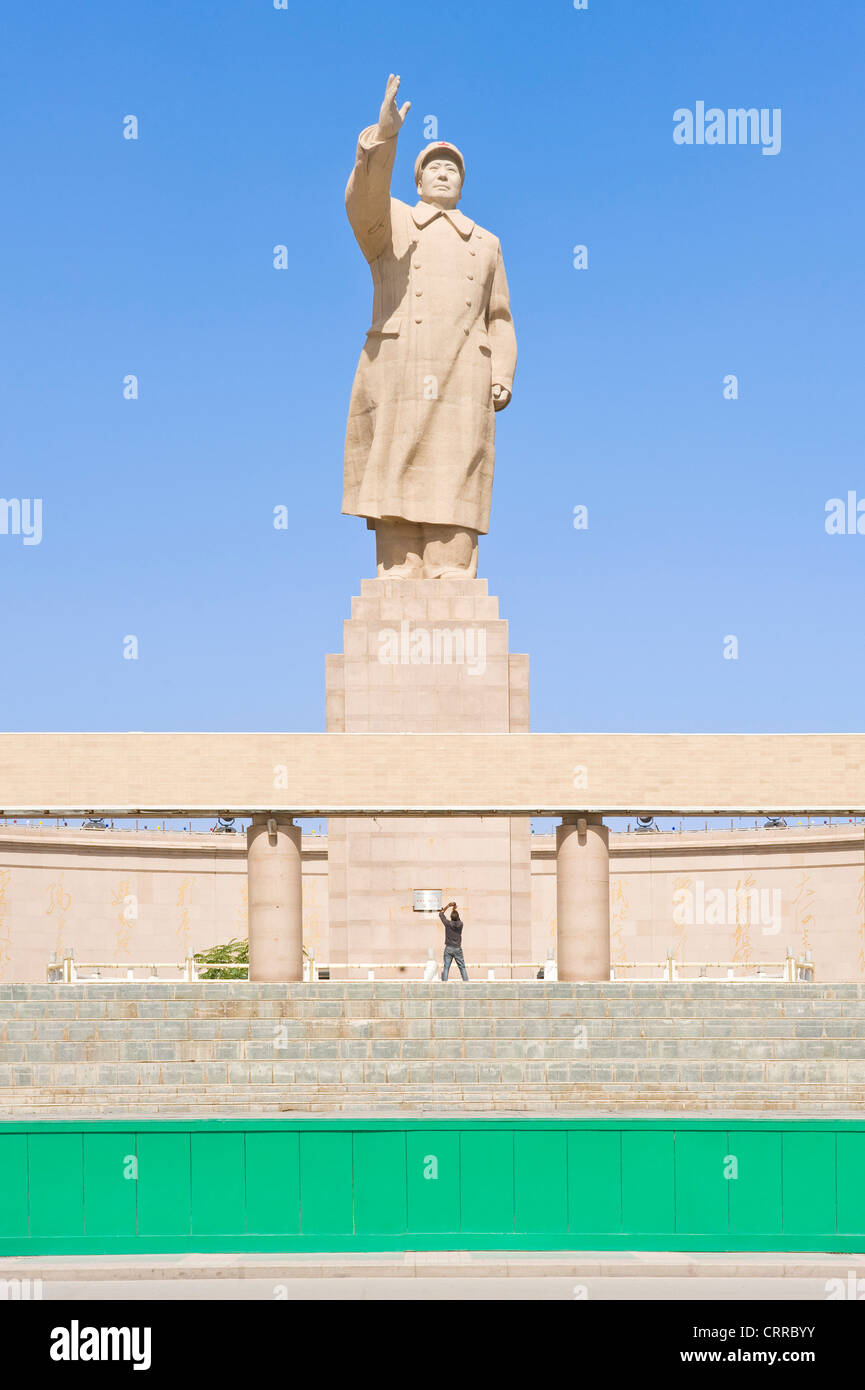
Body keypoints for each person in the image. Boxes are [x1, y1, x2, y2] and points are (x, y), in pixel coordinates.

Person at [344, 74, 517, 579]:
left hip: (465, 371)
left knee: (457, 461)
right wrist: (386, 135)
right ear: (417, 181)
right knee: (395, 458)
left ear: (462, 183)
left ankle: (450, 562)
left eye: (452, 169)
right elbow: (362, 200)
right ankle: (399, 561)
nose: (443, 175)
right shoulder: (393, 222)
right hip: (402, 364)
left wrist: (501, 373)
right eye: (433, 168)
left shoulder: (485, 242)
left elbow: (500, 317)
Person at [439, 901, 469, 981]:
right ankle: (467, 983)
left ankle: (444, 985)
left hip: (448, 948)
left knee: (446, 967)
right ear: (458, 917)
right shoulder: (460, 924)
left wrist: (448, 906)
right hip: (457, 948)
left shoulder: (447, 923)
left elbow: (441, 914)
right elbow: (457, 919)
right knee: (462, 967)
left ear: (451, 917)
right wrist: (454, 909)